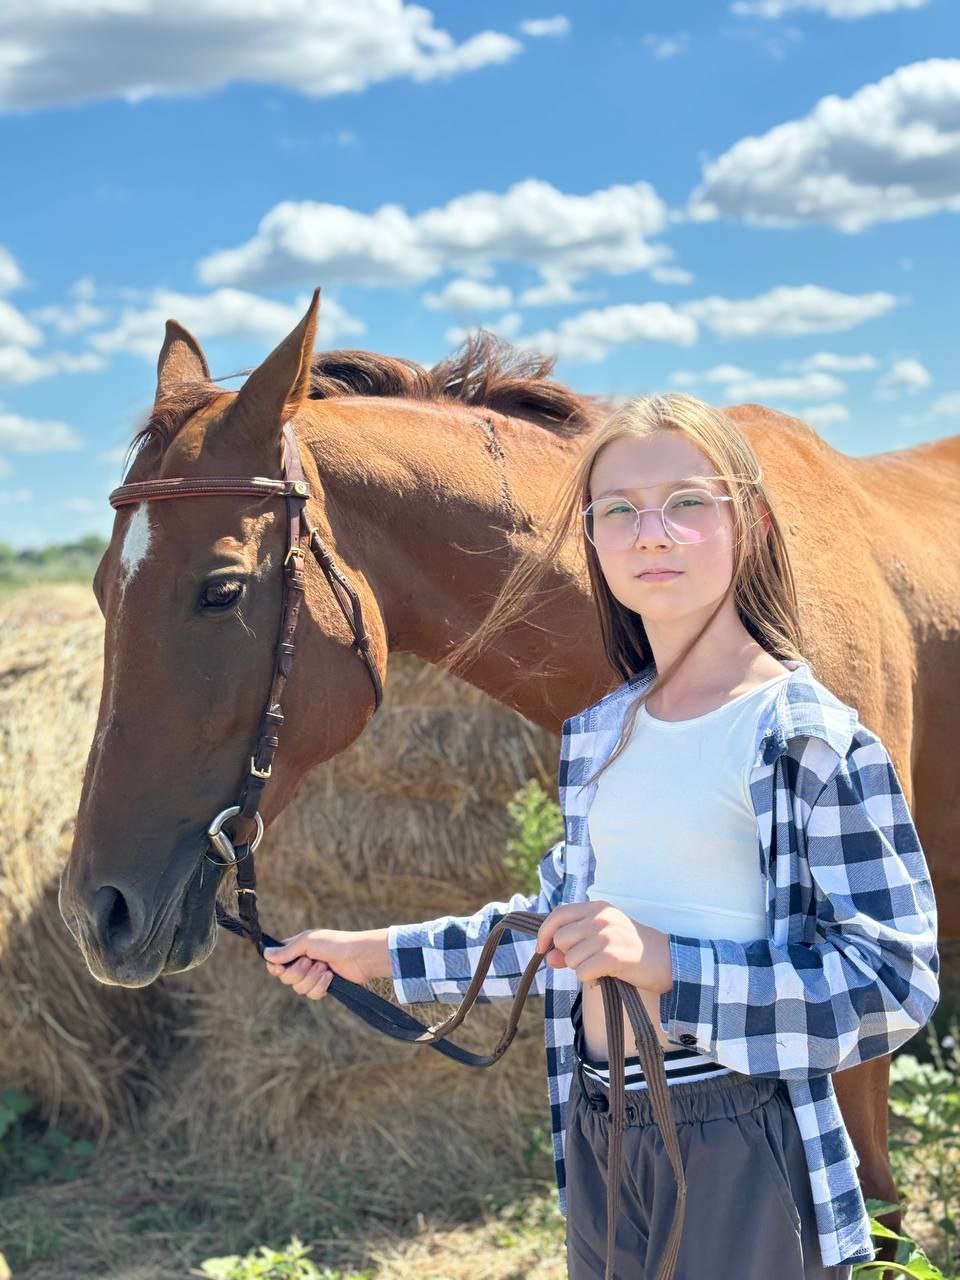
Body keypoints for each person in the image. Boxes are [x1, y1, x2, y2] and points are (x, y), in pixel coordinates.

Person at [262, 393, 940, 1280]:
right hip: (597, 1122)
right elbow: (563, 930)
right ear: (592, 541)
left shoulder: (810, 737)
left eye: (687, 503)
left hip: (745, 1133)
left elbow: (892, 982)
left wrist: (671, 969)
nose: (649, 532)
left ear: (757, 524)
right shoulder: (601, 732)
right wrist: (373, 953)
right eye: (617, 510)